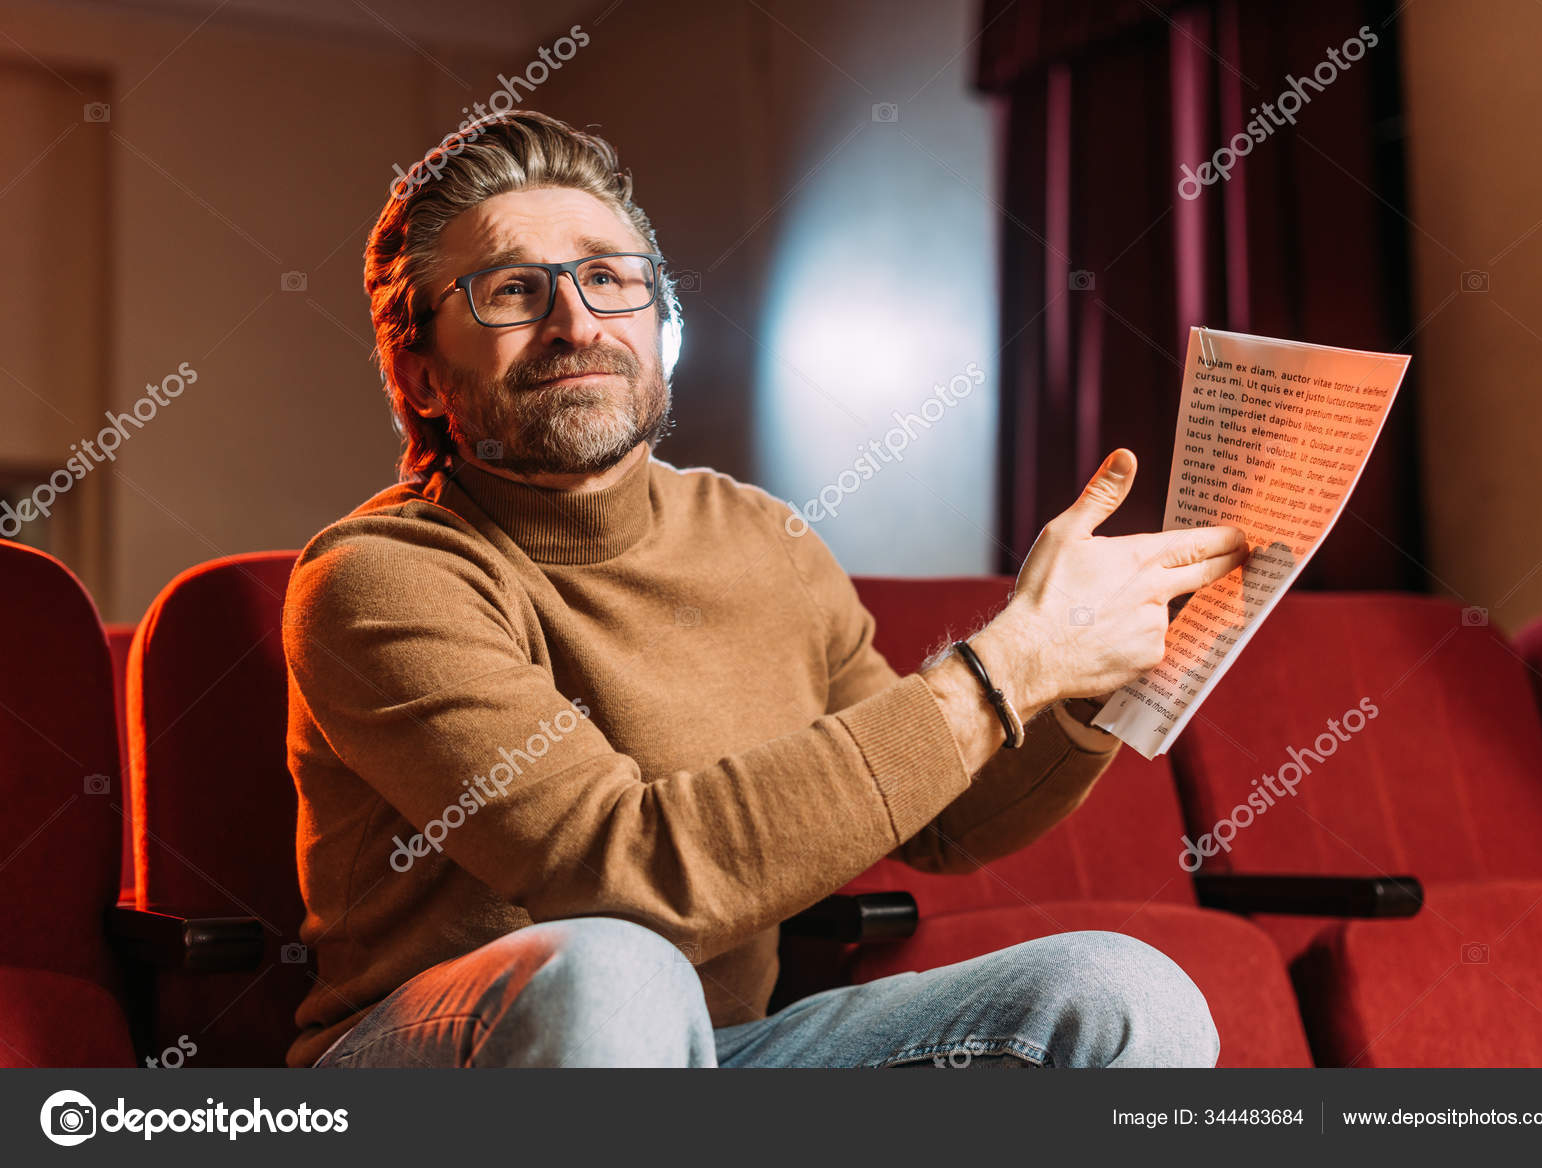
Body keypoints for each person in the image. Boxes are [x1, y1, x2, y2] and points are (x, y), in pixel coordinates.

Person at [283, 110, 1248, 1069]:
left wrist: (1084, 673)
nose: (575, 322)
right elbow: (620, 875)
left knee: (1125, 995)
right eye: (511, 291)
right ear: (416, 373)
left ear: (660, 322)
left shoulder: (763, 537)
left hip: (725, 1054)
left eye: (611, 279)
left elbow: (945, 819)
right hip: (440, 1056)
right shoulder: (379, 577)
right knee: (616, 971)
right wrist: (1004, 664)